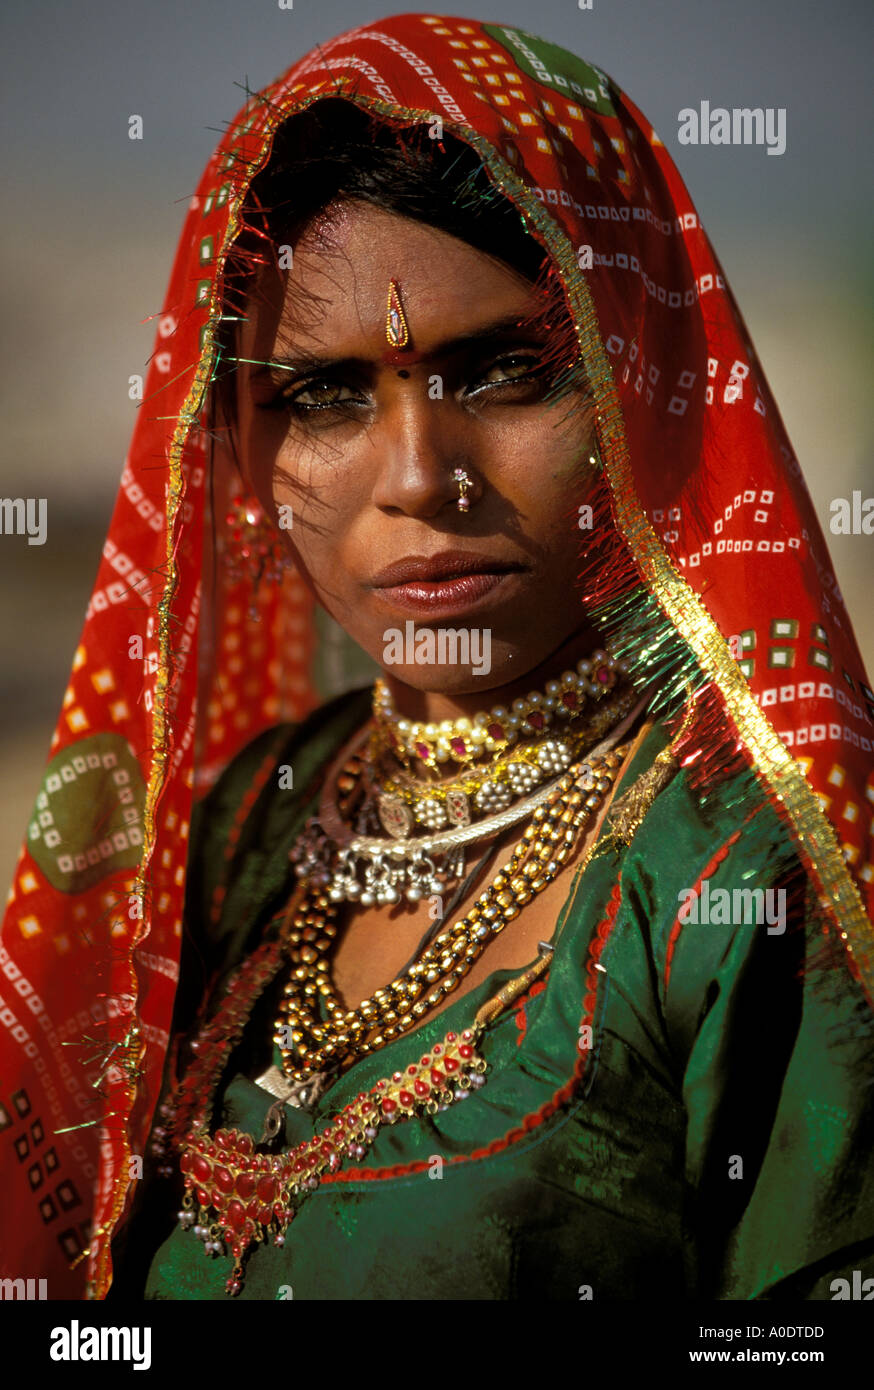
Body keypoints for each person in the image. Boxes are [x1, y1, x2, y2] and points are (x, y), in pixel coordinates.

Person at [2, 12, 873, 1302]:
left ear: (644, 379)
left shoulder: (753, 873)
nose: (418, 481)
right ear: (239, 444)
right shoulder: (241, 826)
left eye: (509, 372)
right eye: (325, 397)